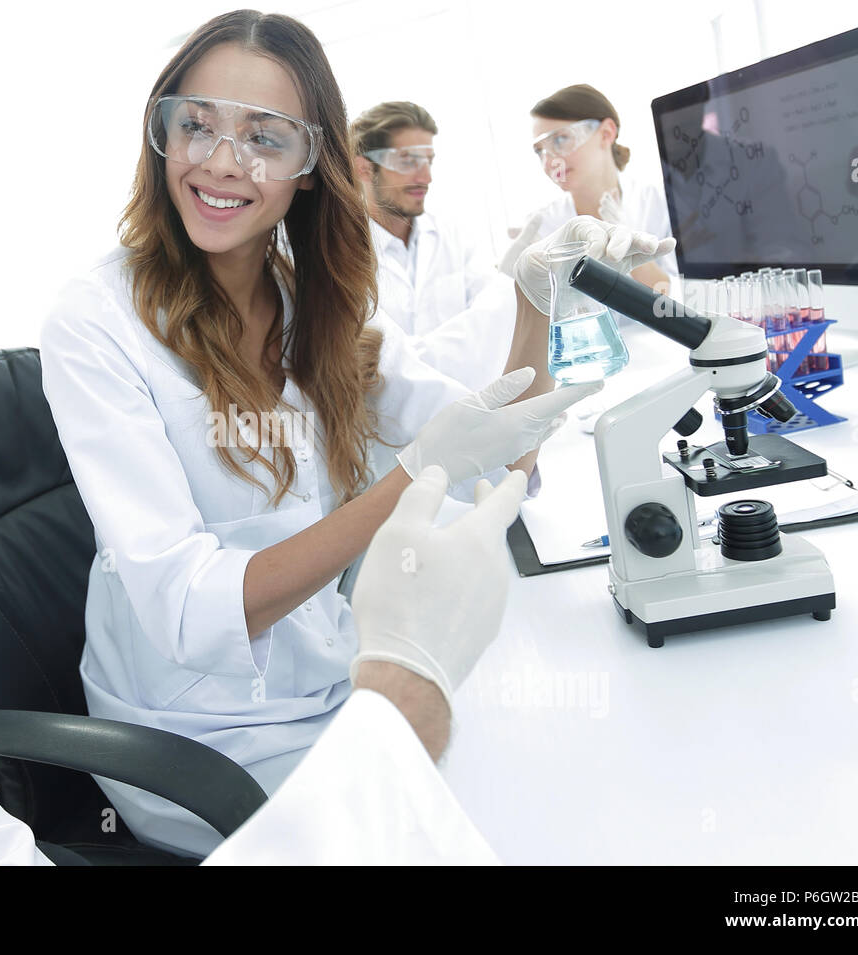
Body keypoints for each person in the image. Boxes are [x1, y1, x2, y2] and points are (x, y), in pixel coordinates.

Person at [39, 11, 669, 856]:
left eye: (264, 136)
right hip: (195, 739)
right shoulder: (98, 322)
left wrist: (533, 304)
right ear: (163, 132)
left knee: (567, 785)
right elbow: (189, 608)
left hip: (328, 681)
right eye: (196, 124)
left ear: (309, 166)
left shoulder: (312, 304)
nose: (222, 161)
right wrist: (408, 478)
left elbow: (498, 451)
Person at [349, 101, 516, 394]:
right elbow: (370, 370)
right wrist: (469, 340)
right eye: (407, 161)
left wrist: (408, 360)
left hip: (475, 411)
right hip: (391, 432)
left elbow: (499, 328)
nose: (425, 177)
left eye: (428, 160)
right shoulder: (338, 255)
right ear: (365, 168)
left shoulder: (455, 236)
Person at [503, 84, 677, 292]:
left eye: (560, 139)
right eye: (540, 151)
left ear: (606, 133)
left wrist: (635, 253)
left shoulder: (658, 203)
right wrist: (527, 281)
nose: (549, 162)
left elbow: (680, 301)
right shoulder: (542, 227)